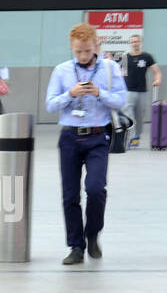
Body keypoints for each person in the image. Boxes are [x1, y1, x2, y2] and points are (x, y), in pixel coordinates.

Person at [46, 23, 128, 265]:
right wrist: (70, 94)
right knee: (70, 194)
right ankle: (75, 246)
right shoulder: (61, 71)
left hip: (97, 136)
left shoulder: (110, 69)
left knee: (95, 188)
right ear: (72, 48)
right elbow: (50, 104)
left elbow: (121, 100)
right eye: (78, 51)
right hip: (70, 136)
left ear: (96, 46)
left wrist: (98, 93)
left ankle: (92, 233)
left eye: (87, 50)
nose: (83, 56)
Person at [123, 34, 161, 149]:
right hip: (128, 91)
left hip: (142, 91)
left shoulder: (147, 57)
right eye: (132, 41)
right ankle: (131, 136)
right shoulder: (125, 57)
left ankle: (136, 137)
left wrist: (157, 79)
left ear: (140, 42)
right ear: (130, 43)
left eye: (136, 41)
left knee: (140, 115)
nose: (134, 43)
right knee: (128, 114)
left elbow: (156, 71)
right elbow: (121, 74)